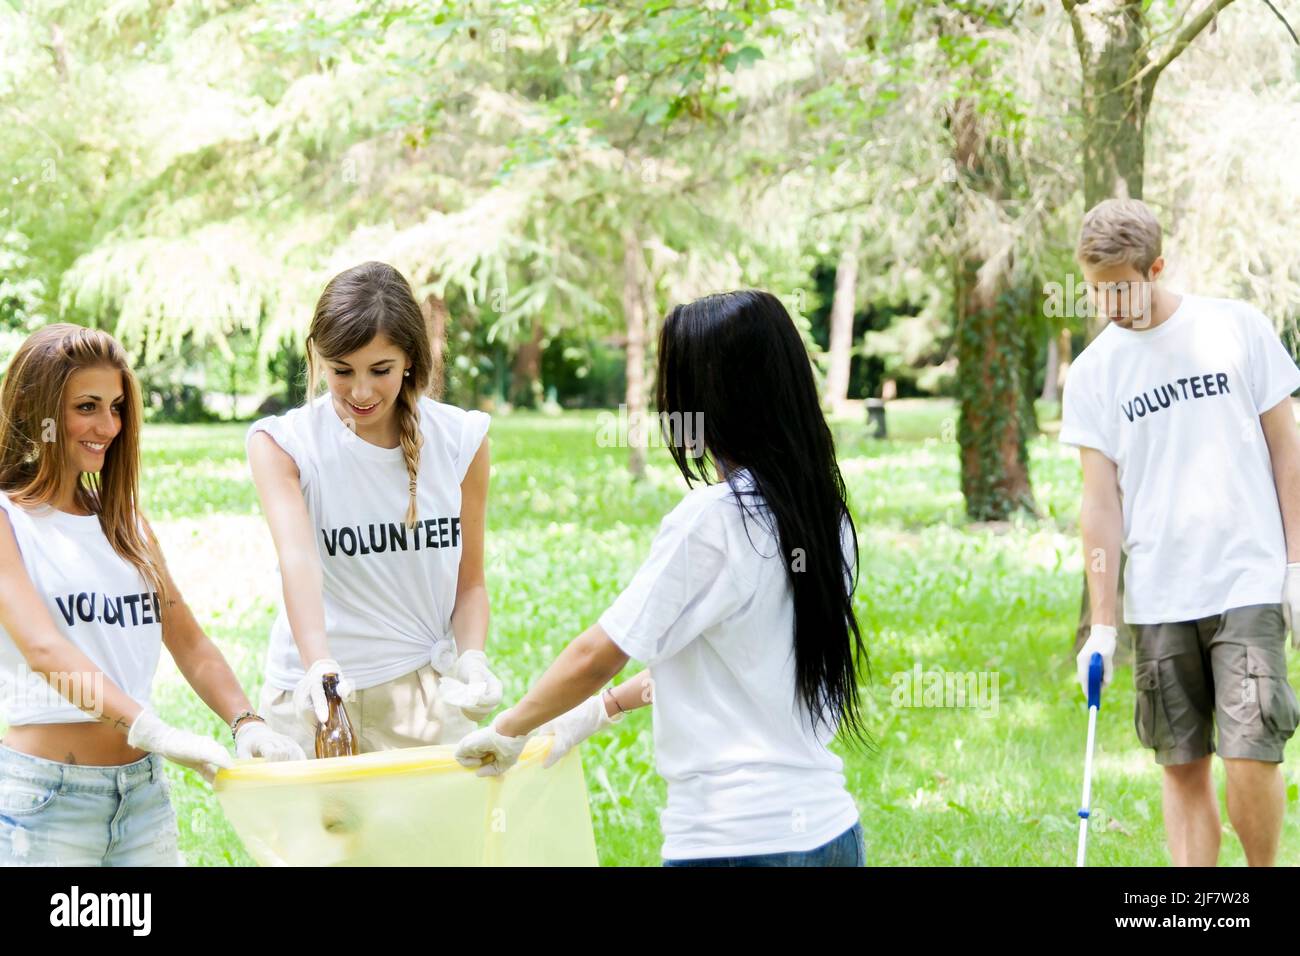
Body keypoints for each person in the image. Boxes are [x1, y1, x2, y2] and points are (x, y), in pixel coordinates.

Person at [456, 289, 869, 867]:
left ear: (710, 398)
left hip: (736, 844)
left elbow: (598, 652)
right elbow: (730, 657)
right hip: (831, 833)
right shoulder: (825, 516)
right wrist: (604, 710)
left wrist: (510, 729)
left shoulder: (713, 520)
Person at [0, 324, 302, 867]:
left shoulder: (124, 523)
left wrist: (246, 722)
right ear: (35, 409)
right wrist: (153, 728)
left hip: (141, 799)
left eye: (116, 407)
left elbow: (189, 643)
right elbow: (45, 652)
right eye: (86, 407)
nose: (108, 426)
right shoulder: (9, 521)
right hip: (47, 801)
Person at [1064, 198, 1300, 866]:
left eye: (1121, 286)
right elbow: (1100, 501)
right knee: (1182, 763)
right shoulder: (1093, 373)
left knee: (1251, 753)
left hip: (1245, 580)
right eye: (1096, 288)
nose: (1108, 302)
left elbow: (1289, 451)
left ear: (1157, 266)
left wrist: (1295, 569)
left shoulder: (1237, 328)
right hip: (1160, 595)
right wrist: (1104, 623)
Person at [247, 262, 500, 756]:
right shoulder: (283, 444)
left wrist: (472, 658)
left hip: (422, 701)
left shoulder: (461, 440)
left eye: (380, 370)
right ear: (318, 359)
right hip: (317, 698)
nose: (361, 392)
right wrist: (320, 670)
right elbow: (298, 565)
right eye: (342, 371)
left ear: (409, 359)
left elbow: (469, 582)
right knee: (317, 836)